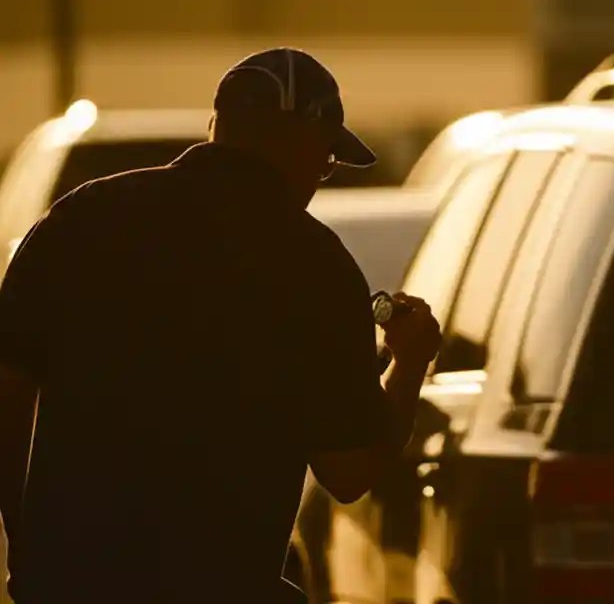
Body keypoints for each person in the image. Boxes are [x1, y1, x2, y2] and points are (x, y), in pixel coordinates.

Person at [0, 48, 442, 603]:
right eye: (327, 161)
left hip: (70, 583)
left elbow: (7, 394)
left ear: (217, 127)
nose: (319, 179)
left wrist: (29, 542)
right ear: (303, 141)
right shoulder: (312, 264)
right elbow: (350, 472)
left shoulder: (80, 219)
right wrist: (409, 364)